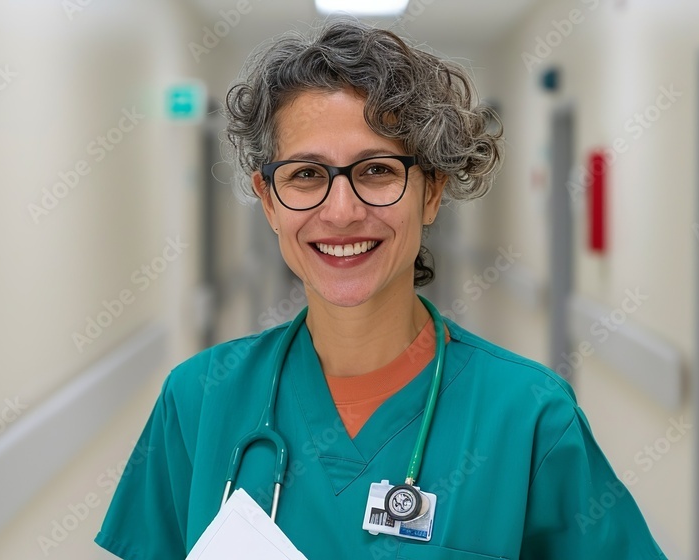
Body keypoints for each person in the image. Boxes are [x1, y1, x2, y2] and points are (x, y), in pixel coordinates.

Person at [95, 18, 668, 560]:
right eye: (305, 174)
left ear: (432, 191)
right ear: (268, 199)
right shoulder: (198, 400)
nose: (341, 212)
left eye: (376, 171)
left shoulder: (529, 418)